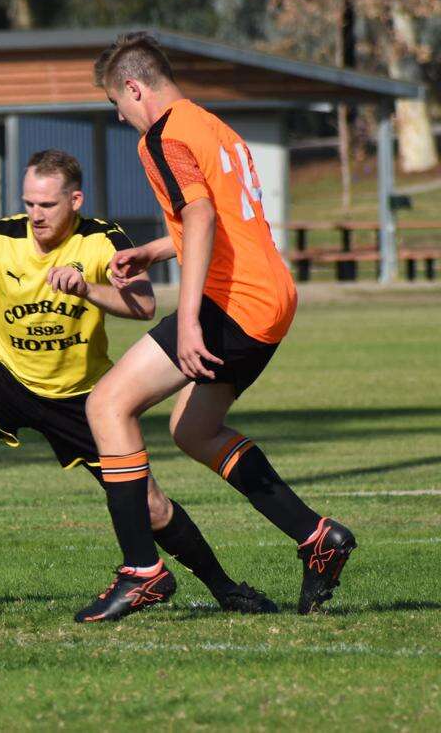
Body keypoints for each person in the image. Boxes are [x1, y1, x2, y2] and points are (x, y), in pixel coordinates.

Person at [0, 148, 277, 616]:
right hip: (5, 375)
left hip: (83, 394)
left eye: (47, 205)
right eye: (29, 203)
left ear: (75, 200)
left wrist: (88, 289)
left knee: (152, 508)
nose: (35, 215)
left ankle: (225, 588)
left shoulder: (102, 240)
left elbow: (144, 306)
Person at [73, 32, 356, 623]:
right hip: (272, 298)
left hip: (234, 301)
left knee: (107, 406)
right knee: (195, 430)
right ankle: (315, 535)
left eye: (115, 104)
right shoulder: (211, 126)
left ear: (133, 87)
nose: (120, 116)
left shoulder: (162, 136)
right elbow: (221, 219)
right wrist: (155, 249)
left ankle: (141, 571)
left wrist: (189, 320)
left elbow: (200, 216)